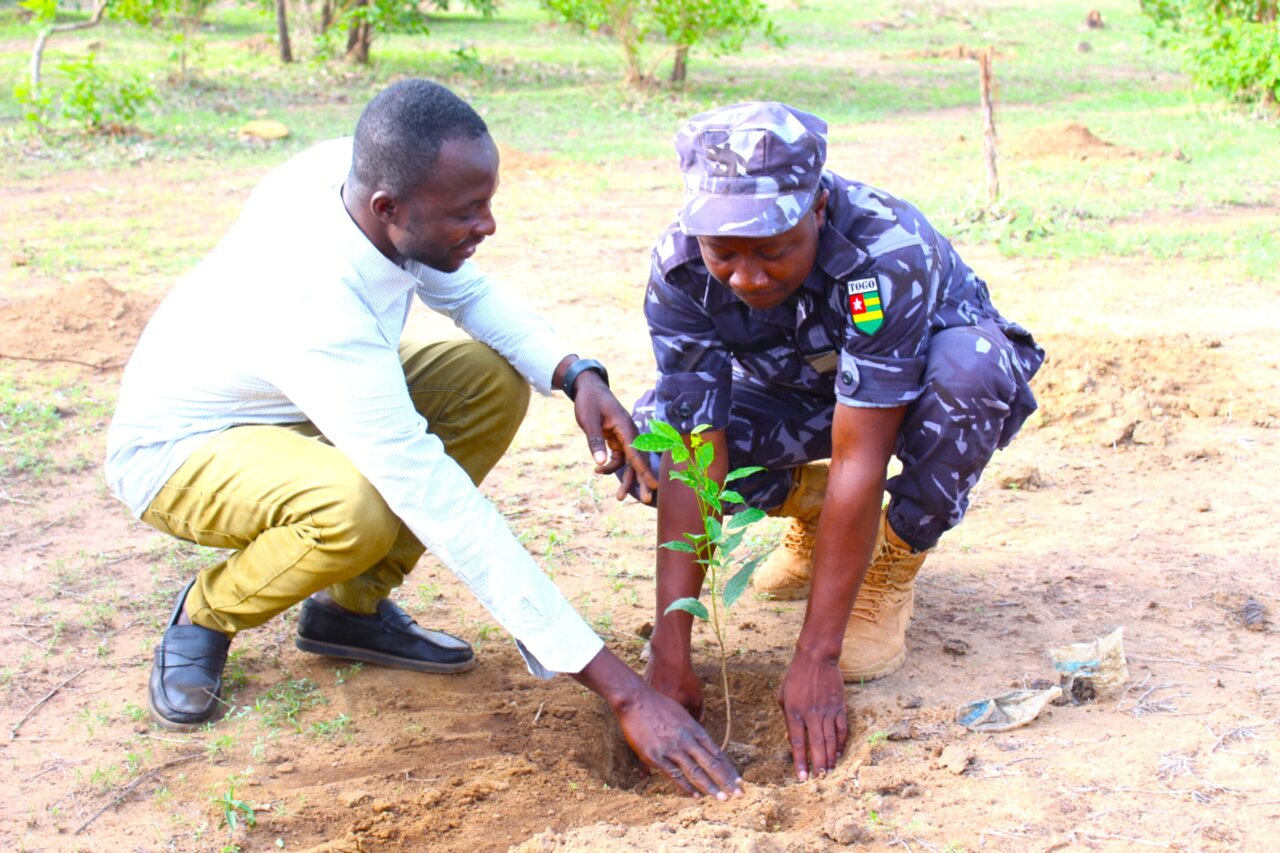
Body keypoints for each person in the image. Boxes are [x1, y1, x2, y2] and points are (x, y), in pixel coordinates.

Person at [105, 79, 742, 800]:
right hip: (186, 444)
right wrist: (626, 692)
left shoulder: (352, 175)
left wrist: (576, 375)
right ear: (389, 208)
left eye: (488, 203)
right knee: (352, 509)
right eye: (468, 213)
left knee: (490, 381)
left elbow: (466, 290)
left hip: (305, 399)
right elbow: (440, 503)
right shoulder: (313, 296)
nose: (489, 226)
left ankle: (349, 611)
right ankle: (207, 611)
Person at [623, 102, 1044, 782]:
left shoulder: (885, 253)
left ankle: (892, 557)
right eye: (724, 252)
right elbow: (697, 452)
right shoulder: (678, 269)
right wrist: (671, 647)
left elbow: (860, 453)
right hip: (796, 389)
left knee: (973, 369)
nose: (748, 277)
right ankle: (809, 511)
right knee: (652, 435)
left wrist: (816, 655)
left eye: (774, 249)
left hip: (913, 391)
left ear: (817, 206)